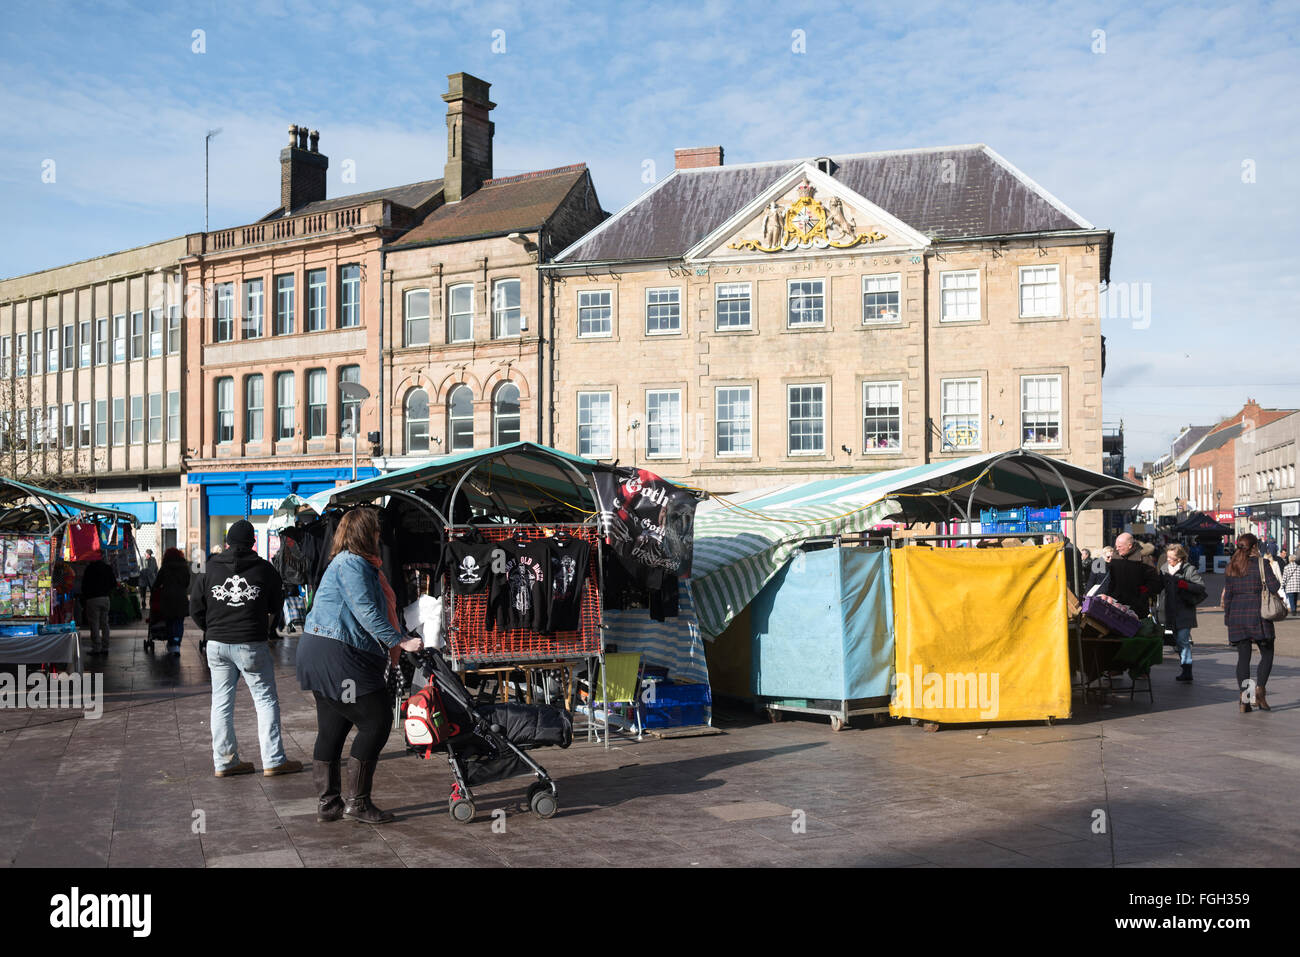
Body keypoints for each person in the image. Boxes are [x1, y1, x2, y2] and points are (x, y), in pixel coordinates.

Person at [297, 508, 422, 824]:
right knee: (376, 722)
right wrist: (400, 640)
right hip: (338, 656)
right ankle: (358, 803)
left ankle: (329, 804)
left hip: (320, 651)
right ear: (367, 534)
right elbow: (365, 608)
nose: (380, 536)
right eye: (377, 531)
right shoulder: (353, 563)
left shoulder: (342, 563)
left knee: (334, 725)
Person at [190, 520, 302, 778]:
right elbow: (276, 605)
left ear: (227, 542)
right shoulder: (265, 569)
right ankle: (273, 760)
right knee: (264, 700)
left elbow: (195, 607)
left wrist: (213, 627)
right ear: (252, 542)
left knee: (221, 703)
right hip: (251, 643)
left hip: (217, 644)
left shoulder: (208, 568)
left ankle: (225, 762)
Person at [1223, 533, 1280, 713]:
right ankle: (1260, 690)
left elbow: (1228, 595)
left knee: (1243, 658)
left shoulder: (1231, 566)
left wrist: (1228, 618)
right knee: (1267, 652)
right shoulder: (1261, 564)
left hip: (1237, 614)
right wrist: (1264, 563)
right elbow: (1274, 587)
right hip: (1258, 613)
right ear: (1254, 546)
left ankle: (1245, 699)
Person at [1157, 544, 1206, 682]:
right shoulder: (1164, 568)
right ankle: (1185, 667)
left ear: (1180, 558)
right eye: (1167, 557)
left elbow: (1201, 587)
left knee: (1183, 640)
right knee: (1177, 641)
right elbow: (1159, 585)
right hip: (1170, 611)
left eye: (1172, 558)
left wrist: (1186, 585)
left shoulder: (1189, 570)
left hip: (1185, 610)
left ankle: (1187, 669)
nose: (1169, 560)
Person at [1102, 532, 1163, 617]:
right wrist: (1109, 595)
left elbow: (1156, 583)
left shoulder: (1144, 559)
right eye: (1116, 546)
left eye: (1120, 546)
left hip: (1138, 607)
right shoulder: (1116, 557)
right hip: (1117, 604)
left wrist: (1144, 590)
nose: (1117, 549)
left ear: (1129, 546)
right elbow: (1112, 580)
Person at [151, 547, 191, 654]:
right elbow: (187, 583)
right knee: (179, 622)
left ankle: (171, 643)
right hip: (181, 598)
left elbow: (157, 583)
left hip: (167, 598)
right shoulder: (184, 567)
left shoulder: (165, 568)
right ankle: (177, 644)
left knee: (169, 621)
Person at [80, 556, 117, 655]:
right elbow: (114, 583)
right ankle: (105, 647)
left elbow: (84, 585)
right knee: (105, 623)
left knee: (94, 624)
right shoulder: (107, 568)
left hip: (93, 599)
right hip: (105, 598)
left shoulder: (89, 569)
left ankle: (96, 647)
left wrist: (84, 598)